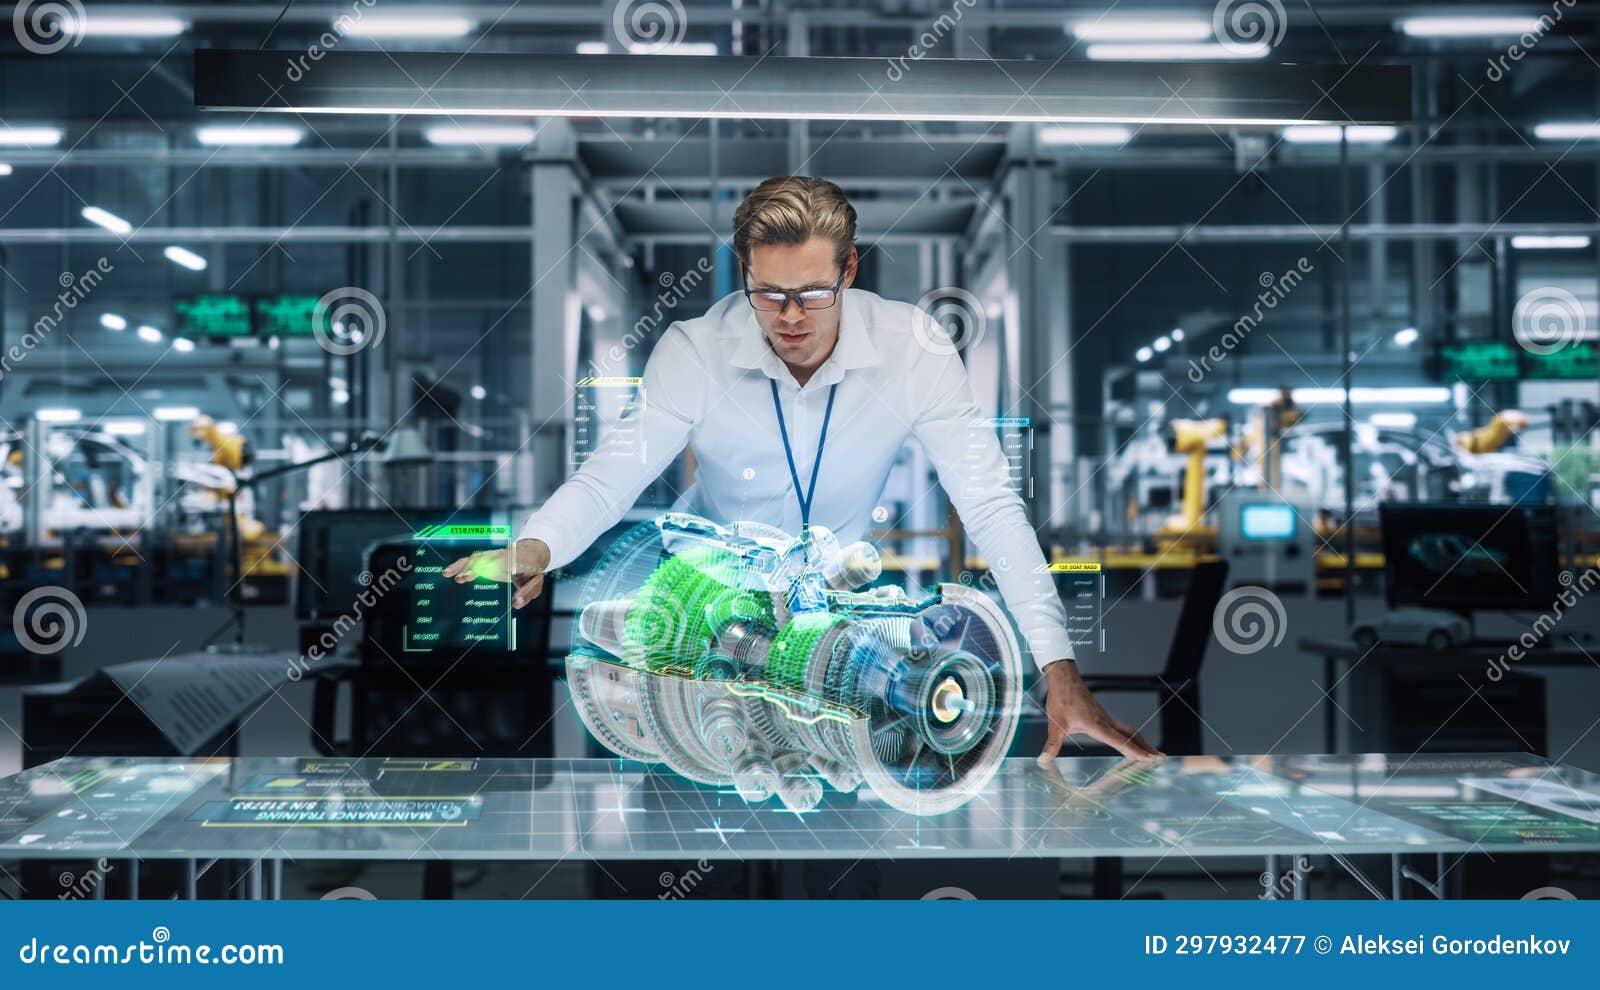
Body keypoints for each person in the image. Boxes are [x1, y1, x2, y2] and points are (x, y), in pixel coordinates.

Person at [444, 175, 1160, 763]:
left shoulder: (912, 349)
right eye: (768, 293)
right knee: (671, 848)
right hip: (693, 615)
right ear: (743, 272)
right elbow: (609, 477)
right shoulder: (696, 351)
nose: (789, 316)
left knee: (842, 857)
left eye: (813, 293)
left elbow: (992, 507)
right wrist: (539, 546)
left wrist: (1057, 669)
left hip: (829, 628)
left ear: (849, 270)